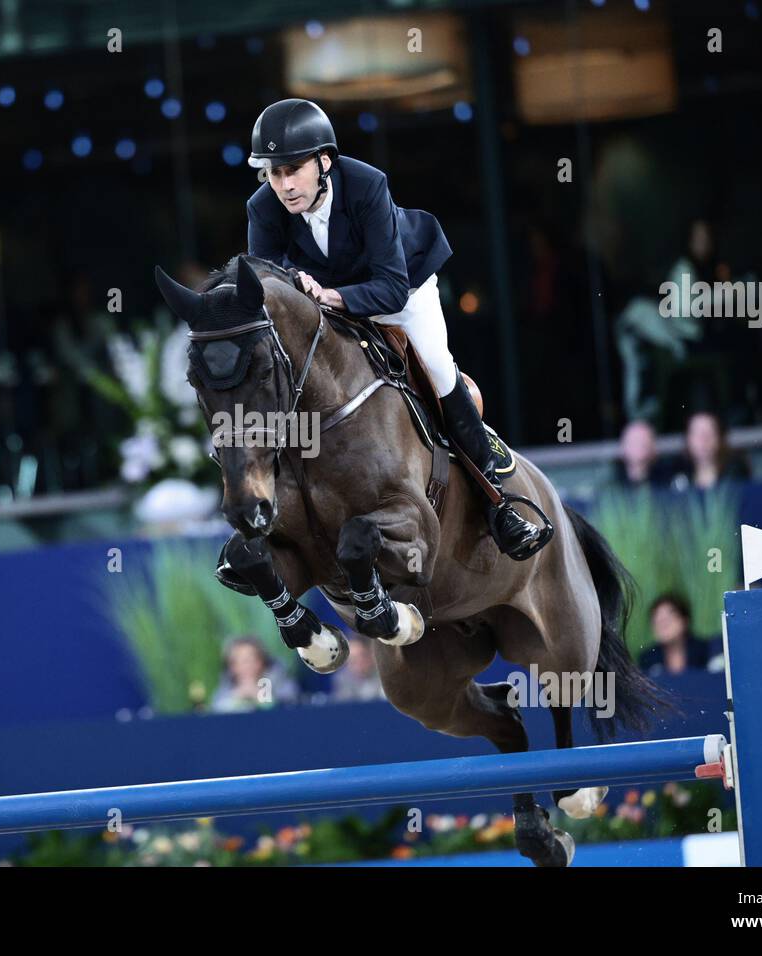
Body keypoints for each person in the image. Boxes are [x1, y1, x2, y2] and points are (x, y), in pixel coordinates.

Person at [240, 98, 546, 562]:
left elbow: (391, 287)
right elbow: (265, 285)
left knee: (439, 368)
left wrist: (332, 296)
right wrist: (294, 286)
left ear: (324, 161)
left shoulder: (366, 186)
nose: (283, 185)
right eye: (274, 174)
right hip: (325, 309)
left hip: (398, 292)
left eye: (293, 170)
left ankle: (498, 502)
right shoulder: (263, 208)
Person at [209, 635, 300, 713]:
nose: (248, 665)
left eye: (252, 659)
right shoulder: (225, 689)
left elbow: (291, 707)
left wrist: (261, 697)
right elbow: (216, 711)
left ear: (262, 661)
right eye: (241, 661)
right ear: (232, 666)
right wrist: (236, 698)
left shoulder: (280, 682)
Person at [637, 593, 718, 676]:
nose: (663, 625)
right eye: (657, 621)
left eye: (668, 619)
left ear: (685, 620)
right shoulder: (648, 658)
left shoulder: (705, 650)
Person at [669, 411, 751, 491]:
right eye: (697, 433)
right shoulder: (677, 474)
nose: (704, 439)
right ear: (688, 439)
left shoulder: (735, 474)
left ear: (719, 438)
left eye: (710, 432)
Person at [609, 420, 675, 489]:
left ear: (653, 449)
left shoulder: (666, 481)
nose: (638, 448)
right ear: (623, 447)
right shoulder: (610, 483)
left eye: (643, 442)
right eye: (633, 442)